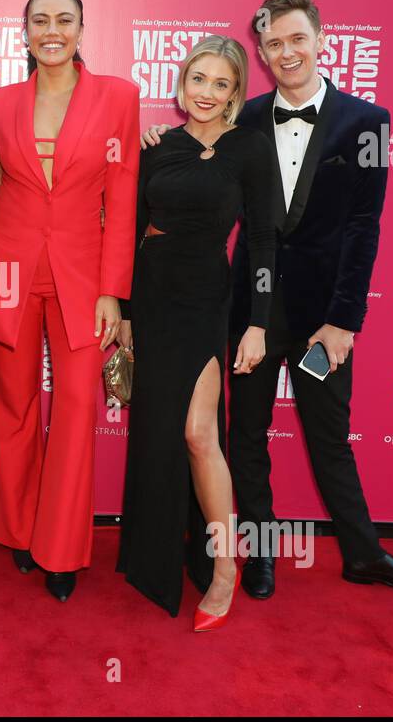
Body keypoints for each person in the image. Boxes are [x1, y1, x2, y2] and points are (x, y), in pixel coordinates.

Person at [144, 0, 393, 598]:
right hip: (249, 309)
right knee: (246, 436)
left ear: (320, 39)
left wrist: (343, 320)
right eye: (274, 43)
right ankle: (258, 556)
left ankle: (364, 554)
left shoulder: (370, 122)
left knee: (329, 436)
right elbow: (193, 164)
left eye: (296, 39)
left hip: (321, 318)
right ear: (260, 51)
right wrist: (159, 137)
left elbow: (366, 227)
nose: (286, 52)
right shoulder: (244, 117)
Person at [0, 0, 139, 602]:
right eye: (40, 20)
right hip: (7, 270)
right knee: (13, 406)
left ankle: (62, 548)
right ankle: (19, 532)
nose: (52, 30)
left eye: (64, 19)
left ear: (81, 28)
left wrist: (113, 291)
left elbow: (122, 199)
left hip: (83, 276)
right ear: (23, 31)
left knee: (75, 406)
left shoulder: (117, 97)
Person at [116, 36, 277, 630]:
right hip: (155, 299)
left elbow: (262, 240)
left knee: (198, 434)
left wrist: (258, 322)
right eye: (198, 79)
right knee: (161, 435)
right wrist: (127, 314)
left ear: (236, 92)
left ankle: (226, 569)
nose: (206, 92)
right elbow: (130, 231)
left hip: (207, 299)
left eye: (220, 83)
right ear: (181, 83)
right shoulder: (158, 146)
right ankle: (157, 559)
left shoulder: (250, 149)